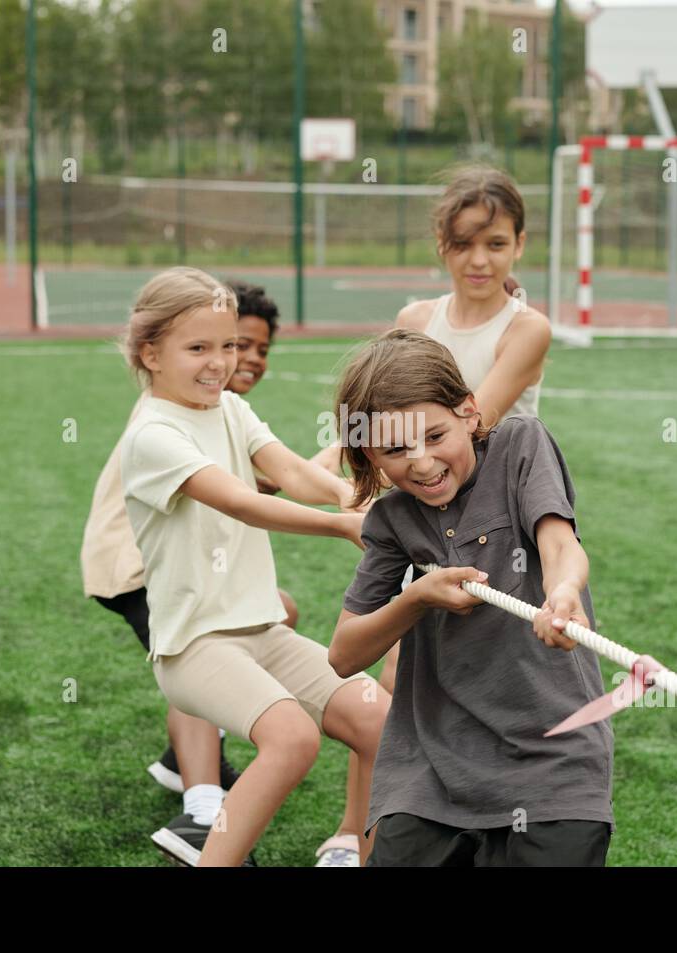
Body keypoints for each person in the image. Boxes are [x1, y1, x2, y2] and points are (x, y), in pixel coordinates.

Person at [119, 266, 388, 867]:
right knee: (291, 739)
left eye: (229, 346)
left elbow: (293, 473)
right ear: (150, 353)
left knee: (382, 723)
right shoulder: (152, 436)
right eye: (198, 348)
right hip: (196, 644)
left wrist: (354, 497)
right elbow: (244, 502)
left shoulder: (230, 409)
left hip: (262, 630)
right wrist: (343, 524)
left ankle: (361, 855)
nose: (219, 363)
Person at [328, 329, 613, 867]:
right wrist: (416, 600)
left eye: (435, 435)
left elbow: (558, 542)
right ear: (367, 452)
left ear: (468, 411)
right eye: (394, 449)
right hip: (430, 768)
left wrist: (564, 591)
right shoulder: (392, 521)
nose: (420, 463)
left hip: (555, 759)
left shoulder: (521, 446)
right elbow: (344, 654)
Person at [372, 164, 553, 695]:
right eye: (463, 243)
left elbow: (473, 426)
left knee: (499, 677)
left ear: (519, 244)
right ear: (441, 244)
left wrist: (394, 459)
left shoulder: (526, 328)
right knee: (395, 681)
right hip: (427, 508)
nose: (479, 259)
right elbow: (381, 414)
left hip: (500, 515)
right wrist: (302, 471)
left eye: (496, 243)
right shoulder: (415, 319)